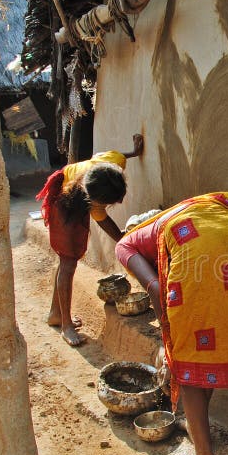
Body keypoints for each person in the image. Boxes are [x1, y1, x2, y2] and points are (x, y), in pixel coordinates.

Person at [115, 191, 228, 455]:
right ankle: (197, 427)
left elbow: (155, 289)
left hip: (195, 247)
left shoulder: (127, 244)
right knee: (206, 345)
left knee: (186, 362)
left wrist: (168, 337)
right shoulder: (186, 214)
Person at [36, 134, 144, 346]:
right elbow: (105, 222)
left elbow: (119, 156)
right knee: (68, 262)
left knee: (66, 262)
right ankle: (66, 325)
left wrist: (134, 152)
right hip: (64, 202)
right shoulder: (89, 199)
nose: (121, 200)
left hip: (80, 189)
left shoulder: (113, 163)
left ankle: (55, 314)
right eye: (113, 201)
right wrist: (124, 241)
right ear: (95, 200)